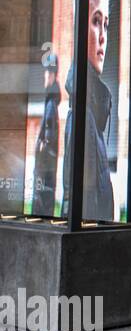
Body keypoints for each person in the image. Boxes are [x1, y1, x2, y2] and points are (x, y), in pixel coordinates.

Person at [62, 0, 115, 221]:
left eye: (106, 23)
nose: (103, 35)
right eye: (96, 21)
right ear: (78, 28)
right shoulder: (82, 115)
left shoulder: (94, 112)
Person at [32, 50, 61, 215]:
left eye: (47, 72)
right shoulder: (51, 102)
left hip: (44, 168)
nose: (44, 76)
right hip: (47, 168)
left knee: (42, 202)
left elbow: (48, 141)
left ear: (51, 74)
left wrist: (40, 152)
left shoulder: (50, 105)